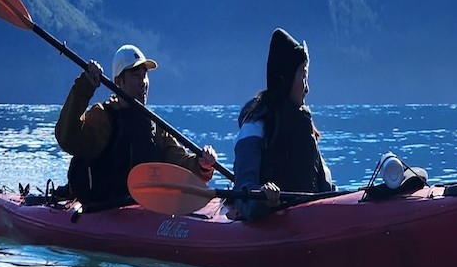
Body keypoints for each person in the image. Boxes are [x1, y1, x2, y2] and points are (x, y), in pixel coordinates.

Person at [55, 43, 218, 206]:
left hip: (144, 209)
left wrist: (201, 164)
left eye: (144, 75)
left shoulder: (155, 125)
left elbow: (180, 162)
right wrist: (84, 86)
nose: (143, 82)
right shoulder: (103, 117)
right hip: (104, 208)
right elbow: (67, 138)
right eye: (135, 75)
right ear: (119, 81)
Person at [231, 28, 335, 220]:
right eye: (303, 76)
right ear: (284, 79)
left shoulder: (304, 124)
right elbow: (244, 191)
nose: (307, 88)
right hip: (268, 221)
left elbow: (326, 188)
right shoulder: (255, 126)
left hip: (307, 220)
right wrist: (262, 197)